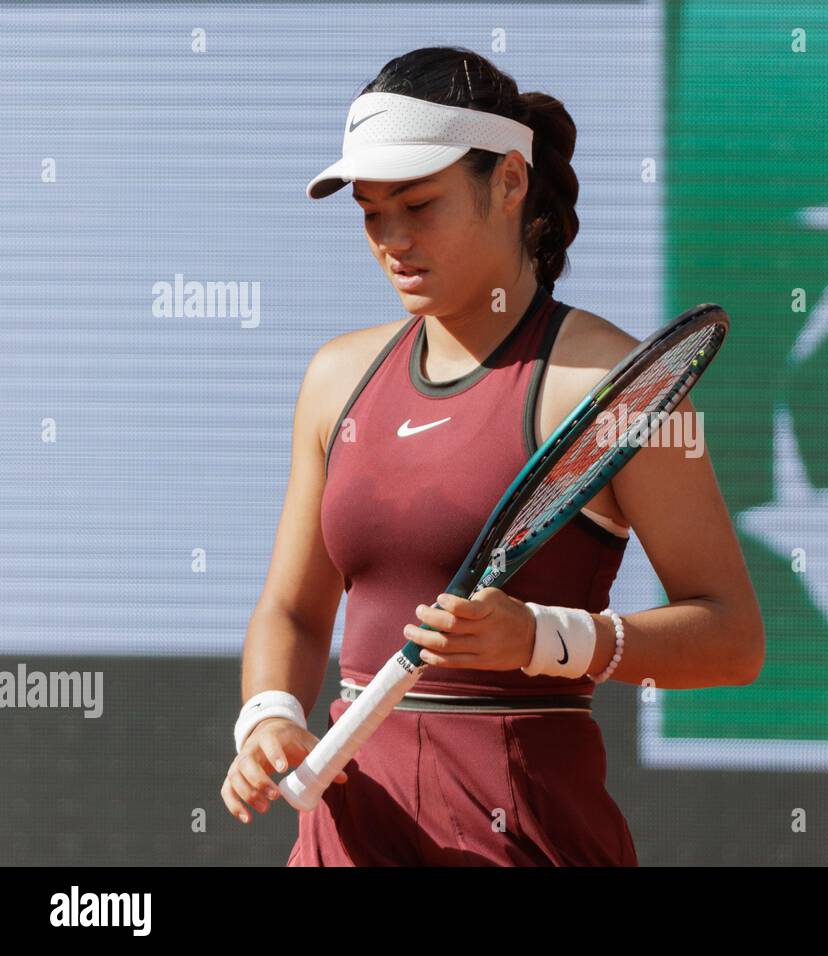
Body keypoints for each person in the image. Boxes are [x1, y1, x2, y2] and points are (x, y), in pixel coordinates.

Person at [219, 46, 764, 866]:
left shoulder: (604, 386)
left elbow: (732, 639)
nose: (392, 240)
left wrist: (544, 638)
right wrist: (268, 716)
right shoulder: (336, 379)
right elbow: (294, 612)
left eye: (420, 205)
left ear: (510, 181)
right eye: (371, 213)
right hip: (341, 842)